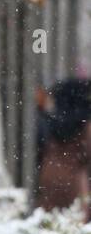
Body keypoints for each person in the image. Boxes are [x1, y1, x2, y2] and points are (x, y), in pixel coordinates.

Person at [33, 79, 91, 217]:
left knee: (49, 226)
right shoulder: (84, 124)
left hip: (48, 176)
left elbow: (39, 149)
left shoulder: (50, 121)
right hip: (75, 182)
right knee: (74, 227)